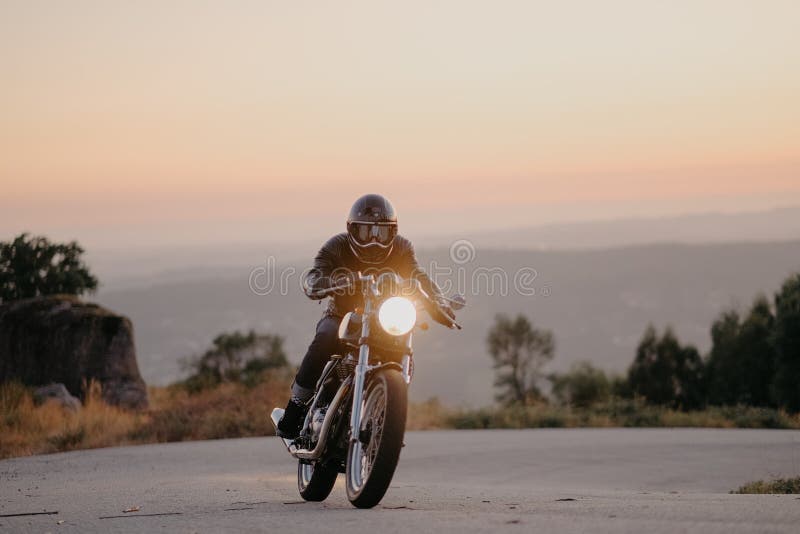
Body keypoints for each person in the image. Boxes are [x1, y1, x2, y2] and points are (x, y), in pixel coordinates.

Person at [276, 193, 454, 438]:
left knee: (403, 342)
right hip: (341, 315)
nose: (374, 241)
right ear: (352, 230)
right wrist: (328, 282)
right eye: (366, 232)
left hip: (385, 318)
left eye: (381, 233)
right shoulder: (337, 246)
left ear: (393, 232)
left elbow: (418, 276)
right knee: (325, 337)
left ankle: (386, 411)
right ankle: (295, 409)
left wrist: (439, 302)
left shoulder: (402, 248)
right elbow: (315, 275)